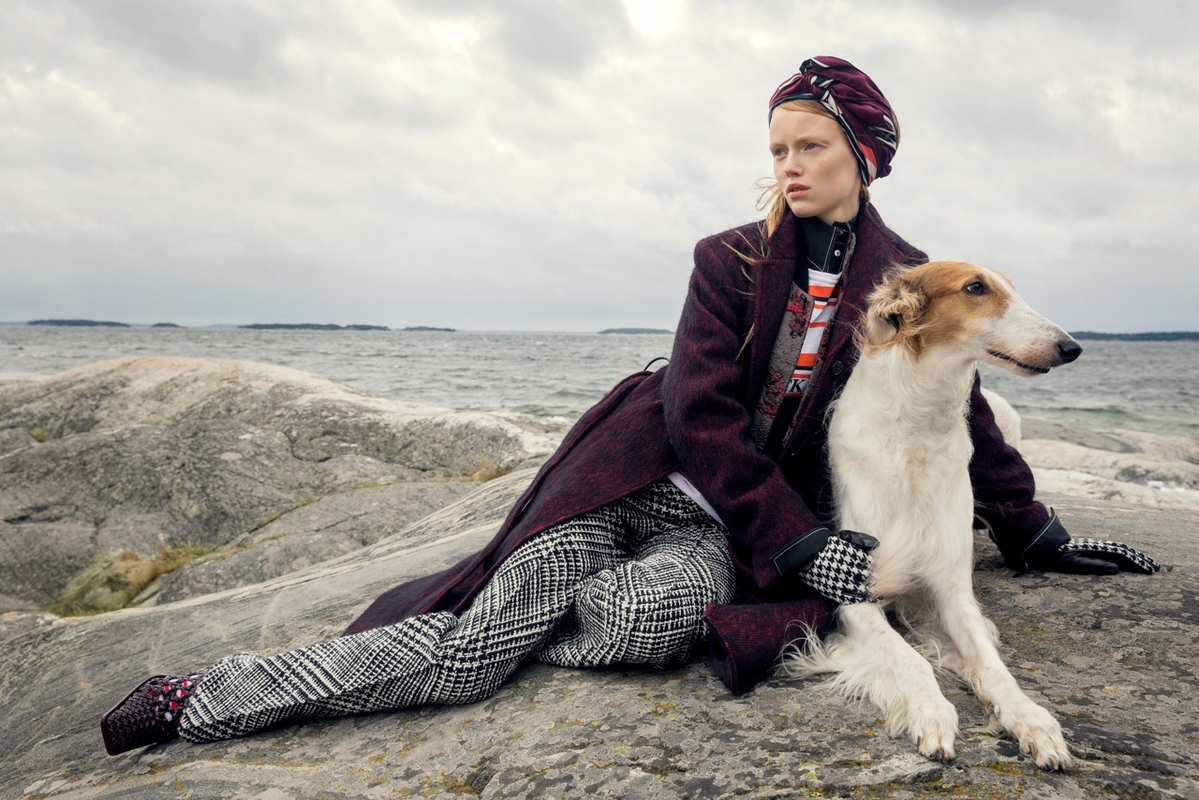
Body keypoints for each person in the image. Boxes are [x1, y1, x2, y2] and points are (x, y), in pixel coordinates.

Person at [100, 56, 1158, 756]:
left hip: (720, 532)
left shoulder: (912, 278)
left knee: (641, 624)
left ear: (863, 156)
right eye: (777, 149)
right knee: (472, 649)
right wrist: (797, 540)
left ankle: (520, 622)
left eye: (811, 147)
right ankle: (199, 696)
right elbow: (697, 411)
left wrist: (1034, 530)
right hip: (637, 480)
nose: (789, 166)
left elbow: (953, 409)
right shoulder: (726, 259)